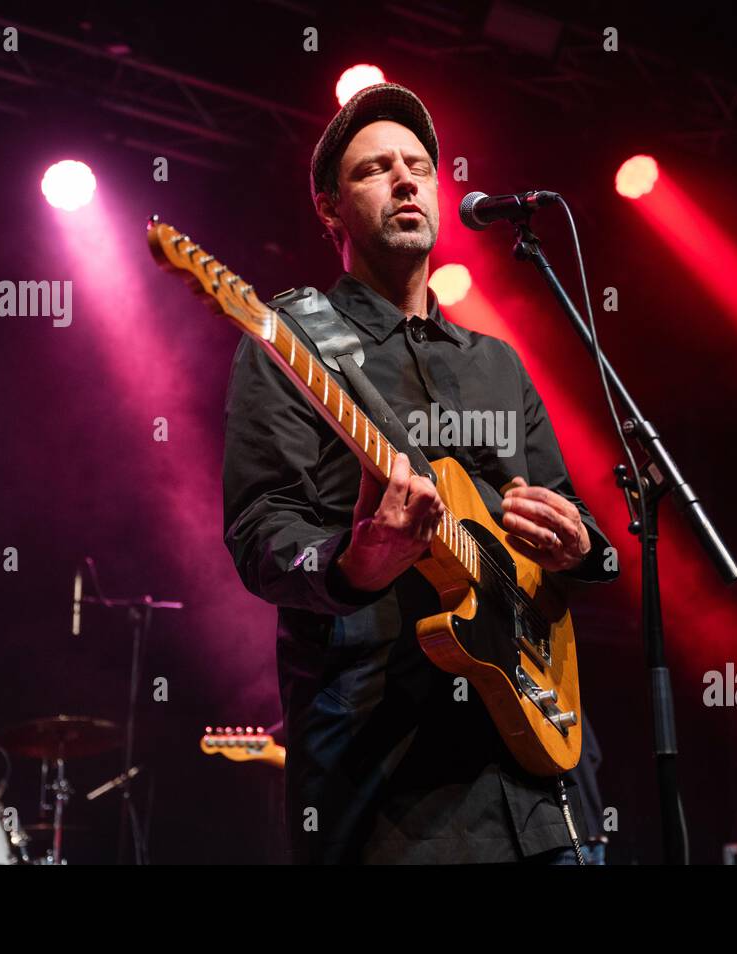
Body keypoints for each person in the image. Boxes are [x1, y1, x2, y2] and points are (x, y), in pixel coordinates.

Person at [223, 83, 618, 863]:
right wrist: (355, 560)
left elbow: (573, 521)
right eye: (375, 169)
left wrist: (581, 545)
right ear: (329, 208)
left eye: (418, 165)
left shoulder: (497, 363)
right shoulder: (289, 345)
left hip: (552, 790)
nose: (406, 179)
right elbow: (261, 531)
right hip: (395, 796)